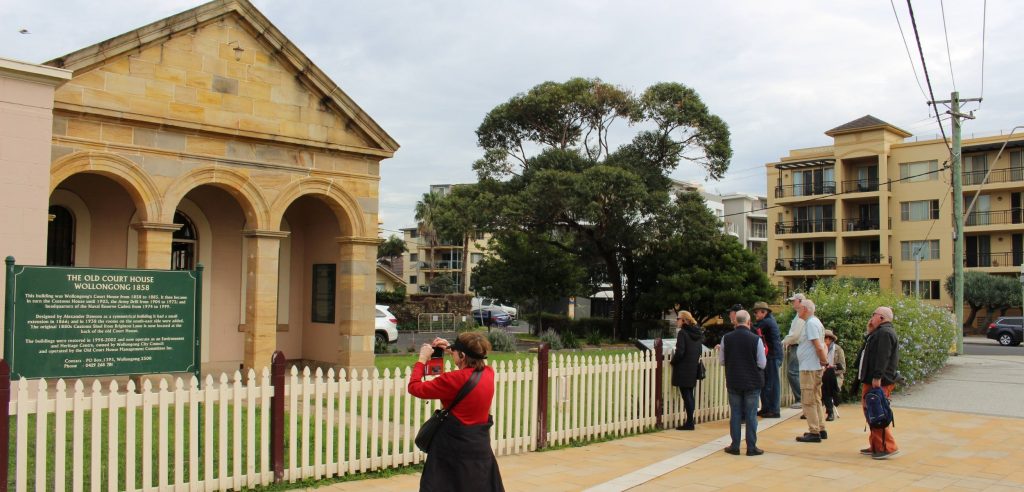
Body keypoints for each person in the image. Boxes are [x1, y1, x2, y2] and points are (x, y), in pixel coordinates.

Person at [408, 332, 505, 491]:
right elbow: (470, 365)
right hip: (479, 447)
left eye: (455, 351)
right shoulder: (489, 373)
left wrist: (422, 360)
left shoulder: (452, 380)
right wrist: (452, 349)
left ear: (463, 355)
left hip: (452, 449)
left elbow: (414, 387)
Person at [718, 310, 766, 456]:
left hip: (734, 380)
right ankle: (751, 447)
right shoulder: (756, 339)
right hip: (752, 381)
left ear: (735, 321)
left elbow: (722, 361)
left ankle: (735, 445)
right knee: (751, 415)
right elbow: (762, 363)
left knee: (736, 414)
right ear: (748, 322)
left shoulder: (726, 338)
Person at [858, 306, 900, 459]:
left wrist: (877, 377)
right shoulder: (879, 332)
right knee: (871, 411)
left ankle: (887, 446)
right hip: (873, 379)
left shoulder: (885, 333)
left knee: (877, 412)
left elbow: (883, 357)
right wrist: (870, 331)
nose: (871, 318)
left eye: (873, 314)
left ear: (881, 317)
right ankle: (876, 444)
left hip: (879, 381)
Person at [794, 299, 830, 443]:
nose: (797, 310)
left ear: (806, 309)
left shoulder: (811, 324)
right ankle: (820, 428)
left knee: (808, 400)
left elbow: (819, 346)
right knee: (815, 398)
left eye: (799, 308)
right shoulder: (814, 322)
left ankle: (814, 431)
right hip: (812, 367)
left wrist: (824, 361)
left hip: (809, 368)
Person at [670, 310, 704, 430]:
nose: (676, 321)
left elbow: (680, 351)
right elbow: (699, 350)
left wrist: (673, 362)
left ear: (684, 320)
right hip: (693, 367)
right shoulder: (697, 332)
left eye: (678, 319)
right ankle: (690, 420)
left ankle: (690, 423)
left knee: (686, 395)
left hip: (683, 368)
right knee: (690, 394)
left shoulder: (683, 333)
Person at [753, 301, 783, 418]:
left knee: (772, 383)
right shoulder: (768, 321)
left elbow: (753, 331)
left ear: (763, 312)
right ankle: (766, 408)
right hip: (771, 355)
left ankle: (774, 410)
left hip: (772, 356)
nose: (755, 315)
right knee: (766, 383)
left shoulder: (766, 322)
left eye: (756, 312)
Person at [780, 293, 806, 409]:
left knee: (793, 372)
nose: (792, 303)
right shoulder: (798, 315)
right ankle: (801, 399)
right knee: (796, 372)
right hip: (797, 345)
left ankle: (800, 399)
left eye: (793, 301)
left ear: (800, 301)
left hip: (797, 345)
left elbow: (795, 335)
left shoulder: (800, 315)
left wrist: (784, 341)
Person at [821, 329, 846, 421]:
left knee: (827, 385)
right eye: (824, 337)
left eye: (828, 338)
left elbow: (843, 368)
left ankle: (830, 412)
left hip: (835, 376)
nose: (826, 339)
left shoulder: (838, 350)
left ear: (831, 339)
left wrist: (830, 369)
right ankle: (810, 411)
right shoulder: (819, 349)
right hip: (820, 375)